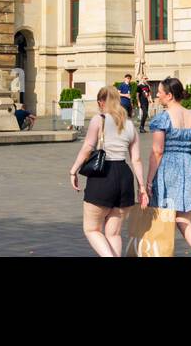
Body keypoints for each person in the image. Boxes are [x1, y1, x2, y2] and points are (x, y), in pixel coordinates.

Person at [69, 86, 147, 256]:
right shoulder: (129, 124)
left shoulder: (99, 119)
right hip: (124, 176)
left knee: (92, 229)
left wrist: (73, 170)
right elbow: (136, 159)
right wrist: (142, 187)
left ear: (101, 102)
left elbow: (88, 146)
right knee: (114, 234)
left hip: (103, 175)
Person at [145, 77, 191, 257]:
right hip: (188, 166)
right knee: (184, 220)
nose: (157, 95)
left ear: (169, 95)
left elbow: (157, 151)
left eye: (160, 92)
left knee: (163, 218)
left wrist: (148, 181)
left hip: (168, 169)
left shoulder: (163, 118)